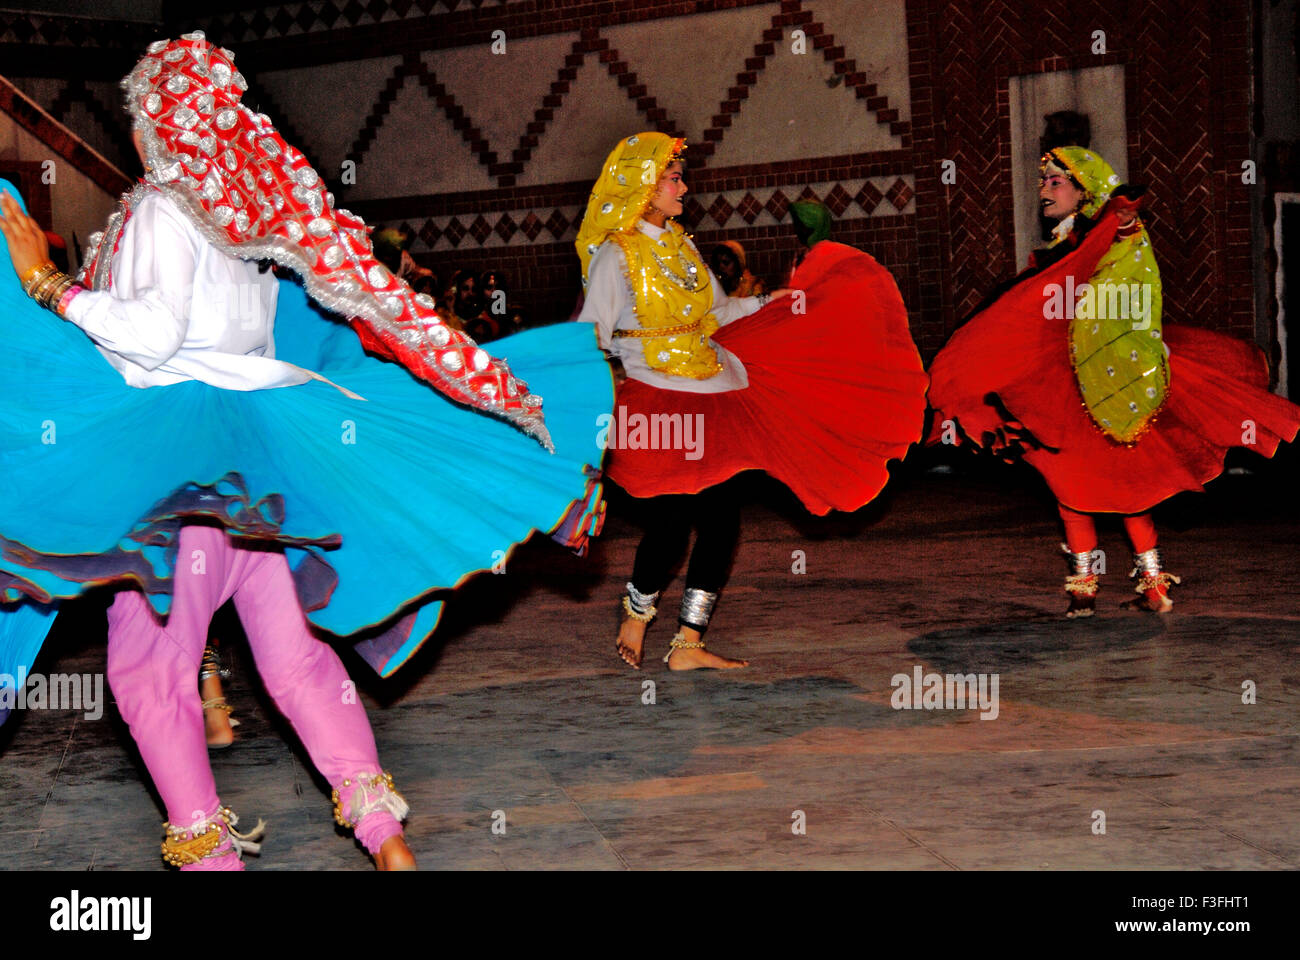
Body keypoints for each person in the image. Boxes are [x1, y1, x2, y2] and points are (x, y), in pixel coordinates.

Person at [0, 32, 610, 869]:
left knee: (151, 672)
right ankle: (385, 839)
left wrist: (47, 286)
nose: (138, 130)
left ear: (160, 121)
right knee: (297, 662)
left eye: (142, 113)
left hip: (171, 476)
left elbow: (150, 338)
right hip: (269, 472)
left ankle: (211, 855)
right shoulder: (250, 228)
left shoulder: (162, 210)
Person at [576, 132, 929, 669]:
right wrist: (589, 399)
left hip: (717, 394)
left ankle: (689, 643)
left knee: (721, 521)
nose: (683, 186)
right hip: (659, 402)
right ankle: (637, 612)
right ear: (645, 187)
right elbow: (589, 337)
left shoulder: (683, 245)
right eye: (673, 177)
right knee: (670, 522)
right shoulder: (616, 258)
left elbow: (715, 316)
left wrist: (771, 301)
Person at [927, 147, 1300, 616]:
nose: (1043, 190)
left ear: (1085, 190)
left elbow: (1127, 288)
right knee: (1089, 487)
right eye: (1044, 182)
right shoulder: (1068, 244)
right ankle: (1125, 588)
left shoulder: (1110, 237)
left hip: (1103, 380)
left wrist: (1117, 219)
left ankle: (1112, 590)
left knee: (1107, 487)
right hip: (1065, 384)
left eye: (1055, 182)